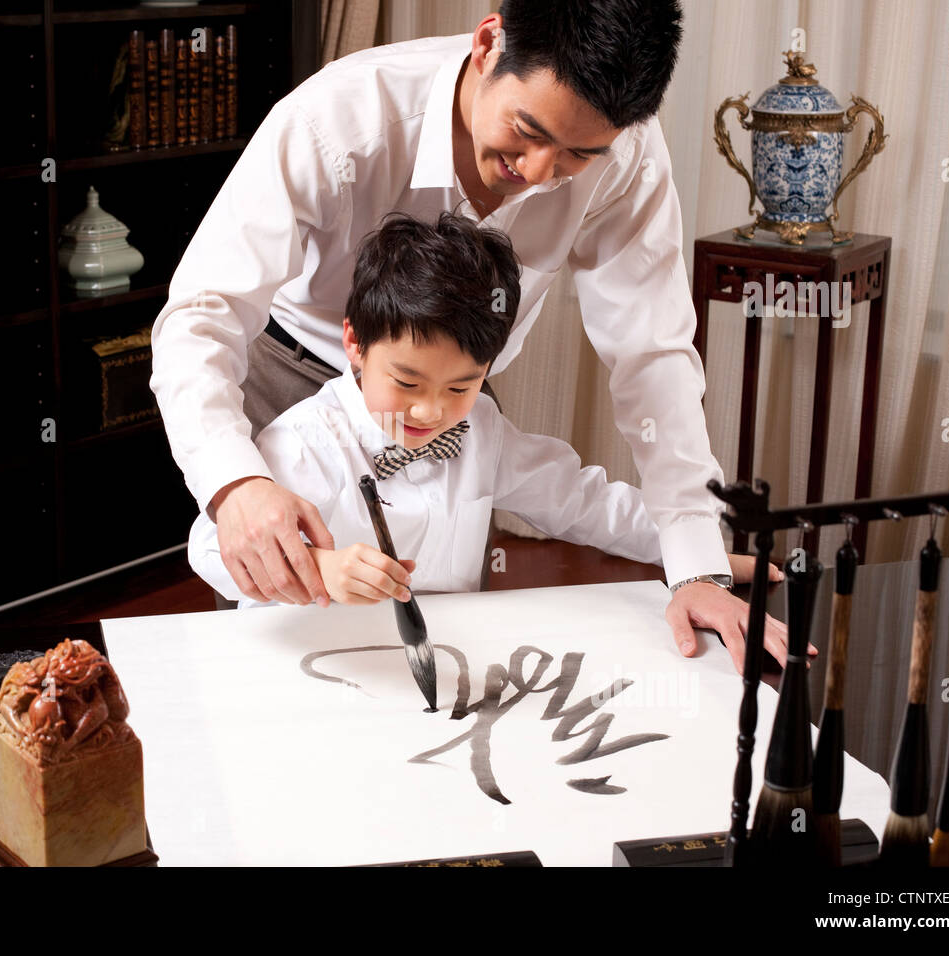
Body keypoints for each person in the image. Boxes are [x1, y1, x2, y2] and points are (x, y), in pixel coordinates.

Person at [152, 0, 796, 673]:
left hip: (458, 393)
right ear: (489, 43)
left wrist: (693, 559)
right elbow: (202, 314)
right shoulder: (338, 121)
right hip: (288, 368)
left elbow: (652, 355)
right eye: (527, 131)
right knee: (277, 625)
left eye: (579, 154)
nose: (542, 171)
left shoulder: (626, 157)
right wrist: (236, 485)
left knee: (441, 632)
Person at [190, 212, 669, 607]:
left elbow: (584, 501)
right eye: (407, 382)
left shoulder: (479, 427)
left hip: (441, 669)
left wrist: (700, 555)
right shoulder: (304, 442)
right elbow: (208, 548)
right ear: (355, 342)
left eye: (461, 386)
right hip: (311, 672)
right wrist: (320, 567)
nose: (429, 412)